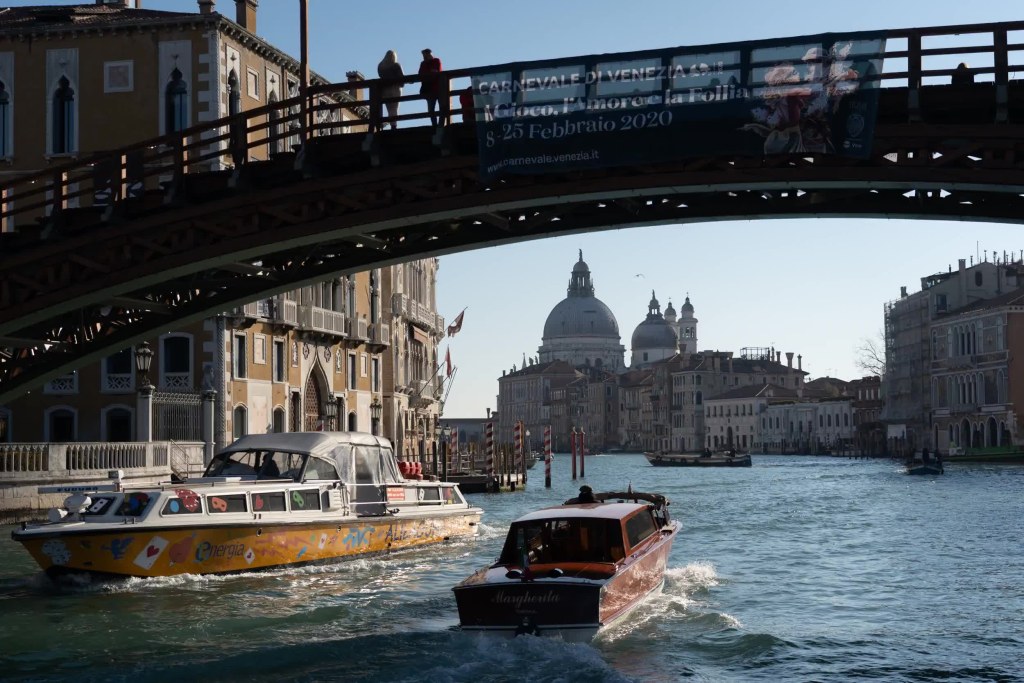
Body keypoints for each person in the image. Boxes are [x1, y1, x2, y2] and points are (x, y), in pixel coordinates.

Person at [418, 48, 446, 127]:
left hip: (438, 89)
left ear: (430, 54)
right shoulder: (423, 64)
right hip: (429, 90)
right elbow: (420, 74)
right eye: (423, 55)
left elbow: (438, 72)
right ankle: (434, 125)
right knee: (431, 110)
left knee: (442, 108)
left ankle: (441, 125)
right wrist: (430, 73)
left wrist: (429, 74)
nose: (424, 57)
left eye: (425, 55)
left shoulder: (436, 61)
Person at [377, 50, 404, 129]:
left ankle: (392, 123)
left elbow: (380, 75)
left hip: (384, 89)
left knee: (389, 109)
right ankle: (394, 125)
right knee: (394, 108)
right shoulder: (396, 65)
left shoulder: (380, 66)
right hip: (395, 88)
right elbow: (402, 80)